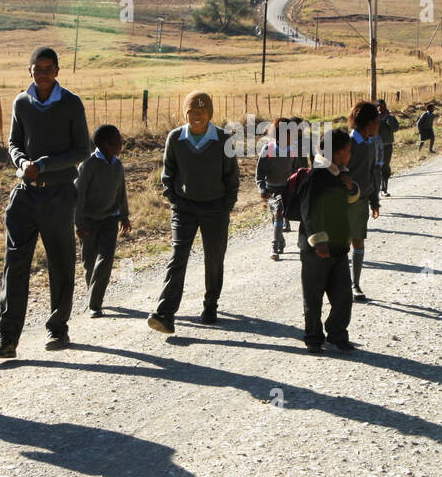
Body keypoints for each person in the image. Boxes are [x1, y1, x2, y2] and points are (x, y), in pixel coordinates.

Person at [0, 47, 91, 359]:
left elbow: (82, 150)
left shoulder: (71, 104)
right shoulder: (21, 102)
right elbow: (13, 143)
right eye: (38, 68)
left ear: (57, 71)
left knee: (60, 262)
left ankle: (57, 328)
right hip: (25, 194)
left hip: (59, 194)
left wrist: (45, 164)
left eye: (49, 69)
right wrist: (21, 163)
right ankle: (6, 338)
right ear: (30, 71)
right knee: (15, 263)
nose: (43, 74)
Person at [147, 91, 239, 335]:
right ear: (184, 113)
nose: (196, 117)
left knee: (214, 258)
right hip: (184, 208)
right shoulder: (175, 138)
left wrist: (225, 206)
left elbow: (232, 177)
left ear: (210, 114)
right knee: (178, 257)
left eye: (201, 112)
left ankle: (210, 305)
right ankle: (165, 313)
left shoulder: (224, 139)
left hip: (215, 208)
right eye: (191, 113)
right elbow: (168, 174)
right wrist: (175, 201)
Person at [298, 128, 361, 353]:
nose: (350, 155)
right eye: (347, 151)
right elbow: (309, 212)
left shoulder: (337, 174)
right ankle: (314, 338)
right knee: (313, 299)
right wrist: (319, 242)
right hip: (316, 251)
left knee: (343, 295)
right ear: (337, 153)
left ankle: (337, 334)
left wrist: (350, 187)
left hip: (338, 248)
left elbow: (349, 198)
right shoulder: (316, 177)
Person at [74, 124, 131, 319]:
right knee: (89, 263)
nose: (121, 142)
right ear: (106, 144)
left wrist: (124, 215)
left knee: (105, 259)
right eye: (117, 140)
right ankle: (93, 293)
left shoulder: (117, 164)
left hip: (109, 219)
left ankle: (95, 304)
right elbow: (79, 196)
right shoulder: (88, 165)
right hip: (89, 221)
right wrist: (78, 223)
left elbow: (121, 191)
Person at [256, 117, 306, 261]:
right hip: (271, 189)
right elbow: (260, 174)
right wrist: (262, 188)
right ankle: (280, 241)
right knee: (276, 217)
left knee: (279, 214)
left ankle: (274, 246)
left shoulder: (293, 149)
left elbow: (296, 169)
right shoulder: (268, 149)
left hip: (286, 188)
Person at [346, 101, 382, 302]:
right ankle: (341, 284)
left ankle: (355, 285)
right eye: (377, 121)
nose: (379, 125)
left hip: (362, 202)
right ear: (369, 123)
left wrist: (374, 201)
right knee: (342, 244)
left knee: (358, 241)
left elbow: (372, 174)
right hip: (345, 203)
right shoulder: (348, 144)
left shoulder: (370, 144)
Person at [374, 98, 400, 196]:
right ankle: (376, 188)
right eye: (379, 106)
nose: (381, 108)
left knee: (385, 167)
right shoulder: (373, 118)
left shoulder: (391, 117)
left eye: (383, 106)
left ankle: (384, 189)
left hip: (387, 145)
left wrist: (388, 118)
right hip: (375, 146)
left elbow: (396, 128)